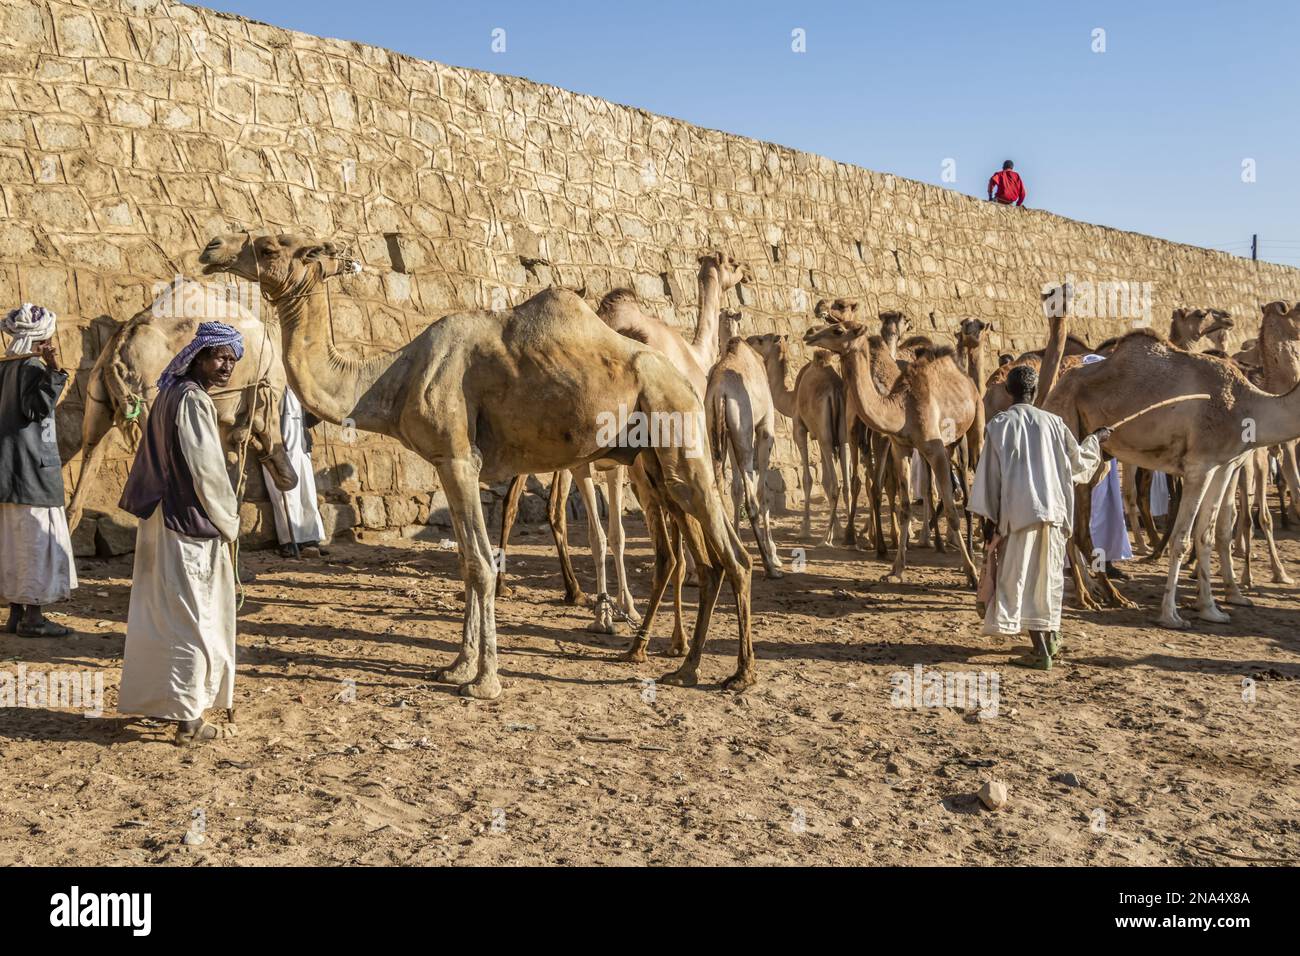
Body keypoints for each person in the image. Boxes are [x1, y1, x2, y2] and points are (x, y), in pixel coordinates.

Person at [117, 322, 244, 745]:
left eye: (232, 359)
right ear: (199, 357)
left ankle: (172, 704)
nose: (226, 366)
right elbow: (206, 469)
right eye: (219, 357)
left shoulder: (170, 393)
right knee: (194, 617)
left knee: (167, 616)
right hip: (186, 523)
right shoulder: (191, 400)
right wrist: (229, 521)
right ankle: (189, 721)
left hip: (162, 518)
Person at [969, 365, 1109, 670]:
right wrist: (1096, 440)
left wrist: (989, 523)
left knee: (1021, 581)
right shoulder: (1055, 424)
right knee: (1047, 581)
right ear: (1035, 393)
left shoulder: (999, 425)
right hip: (1055, 515)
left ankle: (1042, 651)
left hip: (1018, 517)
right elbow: (1079, 465)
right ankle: (1051, 639)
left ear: (1008, 392)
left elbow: (990, 479)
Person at [0, 304, 77, 636]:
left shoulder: (4, 368)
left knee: (14, 544)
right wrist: (55, 369)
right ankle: (33, 618)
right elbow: (37, 409)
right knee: (35, 543)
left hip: (9, 474)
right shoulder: (31, 367)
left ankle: (15, 616)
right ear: (40, 336)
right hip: (33, 472)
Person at [261, 386, 327, 558]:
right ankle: (289, 541)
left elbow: (308, 419)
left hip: (301, 446)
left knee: (308, 494)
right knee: (285, 497)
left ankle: (310, 539)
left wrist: (322, 411)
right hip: (279, 449)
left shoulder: (300, 389)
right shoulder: (271, 388)